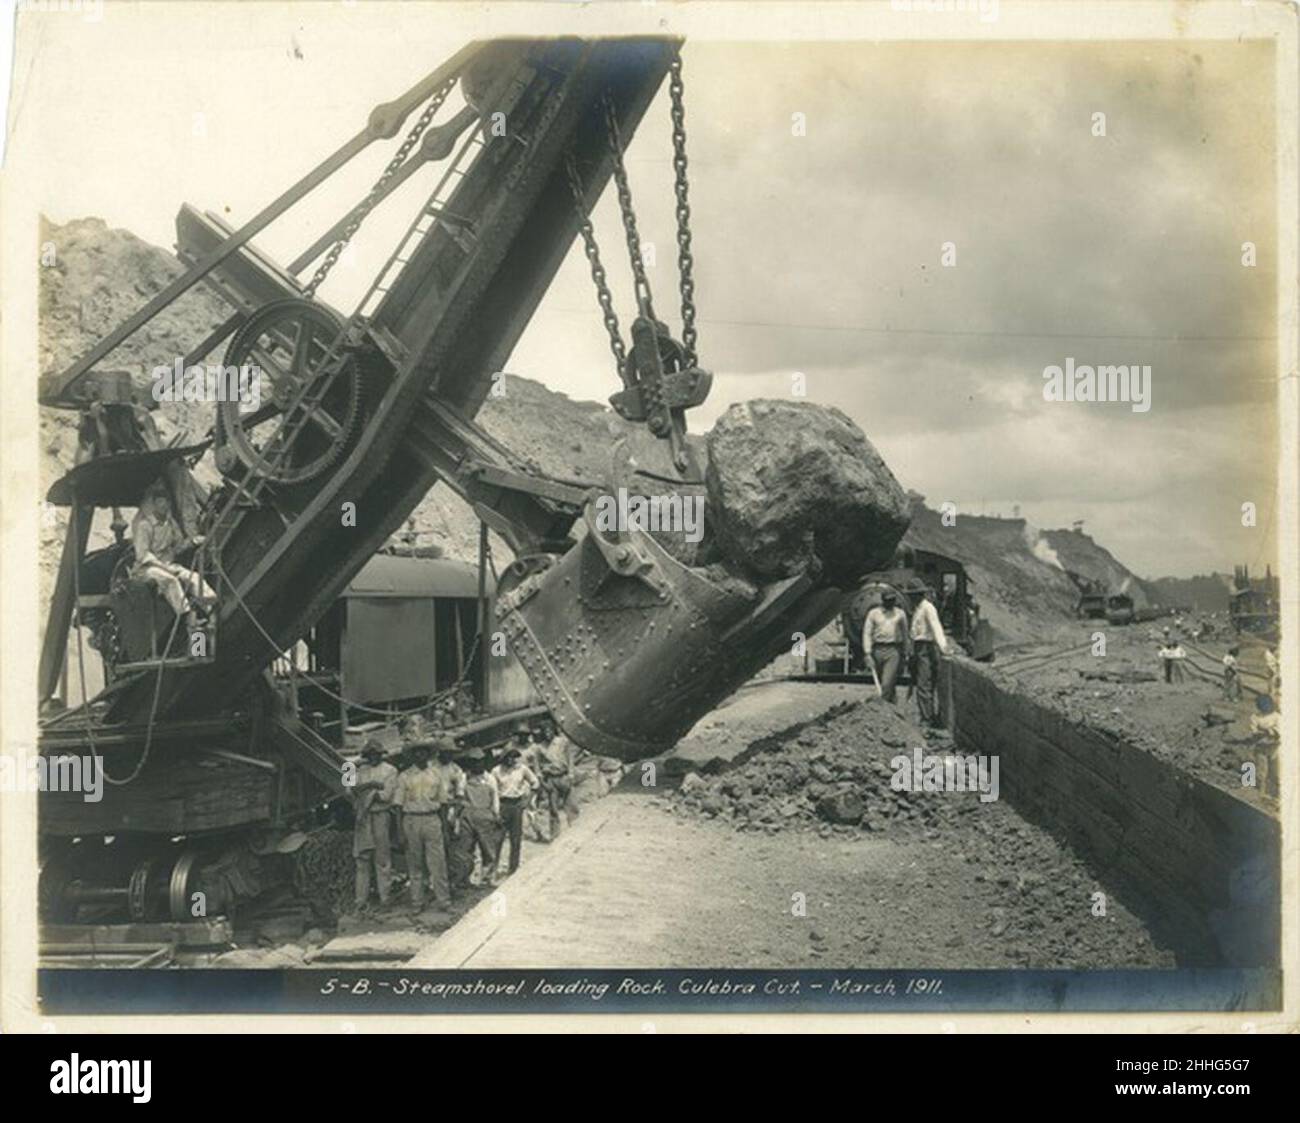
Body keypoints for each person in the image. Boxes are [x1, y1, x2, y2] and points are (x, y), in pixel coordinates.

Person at [130, 480, 211, 630]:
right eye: (160, 502)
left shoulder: (171, 524)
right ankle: (187, 615)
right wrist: (163, 566)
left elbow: (178, 546)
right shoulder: (144, 526)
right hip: (146, 569)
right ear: (154, 504)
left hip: (168, 564)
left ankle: (208, 609)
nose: (164, 506)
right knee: (170, 580)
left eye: (166, 502)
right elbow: (142, 555)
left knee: (193, 577)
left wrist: (193, 541)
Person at [395, 741, 452, 910]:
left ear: (428, 755)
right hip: (411, 820)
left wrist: (445, 828)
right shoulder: (404, 776)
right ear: (412, 756)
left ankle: (444, 901)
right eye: (416, 752)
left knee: (438, 863)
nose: (420, 755)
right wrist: (400, 830)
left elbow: (443, 802)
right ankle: (417, 902)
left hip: (432, 819)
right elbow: (398, 805)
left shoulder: (436, 774)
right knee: (415, 864)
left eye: (423, 752)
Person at [350, 740, 398, 911]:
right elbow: (348, 787)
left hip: (380, 815)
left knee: (382, 858)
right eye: (370, 755)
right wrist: (371, 785)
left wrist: (366, 791)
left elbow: (385, 796)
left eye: (376, 754)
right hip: (363, 818)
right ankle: (360, 901)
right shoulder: (360, 770)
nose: (373, 757)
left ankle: (385, 897)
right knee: (362, 859)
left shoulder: (390, 770)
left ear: (381, 754)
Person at [455, 753, 503, 887]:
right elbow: (460, 797)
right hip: (468, 815)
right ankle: (465, 879)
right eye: (474, 762)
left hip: (485, 814)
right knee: (466, 848)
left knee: (488, 848)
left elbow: (495, 798)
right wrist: (457, 818)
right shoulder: (464, 777)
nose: (477, 764)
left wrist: (496, 815)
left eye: (480, 761)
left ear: (484, 762)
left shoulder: (490, 779)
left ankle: (487, 878)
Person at [492, 747, 539, 874]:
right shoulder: (496, 771)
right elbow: (493, 792)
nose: (511, 760)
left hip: (517, 805)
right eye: (509, 757)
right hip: (502, 805)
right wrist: (495, 810)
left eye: (514, 757)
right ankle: (493, 869)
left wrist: (527, 801)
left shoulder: (522, 769)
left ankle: (513, 869)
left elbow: (535, 782)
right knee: (498, 839)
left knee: (516, 838)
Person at [909, 586, 950, 727]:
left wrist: (943, 646)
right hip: (919, 647)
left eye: (913, 595)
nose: (910, 598)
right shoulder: (918, 609)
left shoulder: (928, 608)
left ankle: (927, 719)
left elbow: (936, 627)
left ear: (919, 595)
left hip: (926, 647)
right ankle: (927, 714)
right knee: (923, 683)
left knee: (924, 683)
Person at [862, 589, 911, 703]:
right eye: (888, 600)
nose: (891, 603)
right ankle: (891, 708)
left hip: (893, 650)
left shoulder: (900, 614)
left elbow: (905, 633)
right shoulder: (874, 613)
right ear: (883, 600)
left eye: (893, 600)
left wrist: (906, 652)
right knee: (885, 682)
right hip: (877, 650)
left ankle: (882, 707)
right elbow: (867, 633)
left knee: (886, 683)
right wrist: (867, 653)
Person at [533, 723, 580, 840]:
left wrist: (571, 774)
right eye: (545, 731)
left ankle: (575, 832)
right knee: (553, 809)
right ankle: (555, 835)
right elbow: (537, 767)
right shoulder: (539, 747)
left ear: (553, 731)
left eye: (550, 731)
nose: (548, 734)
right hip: (550, 779)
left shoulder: (562, 742)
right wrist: (543, 782)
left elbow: (570, 758)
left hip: (563, 776)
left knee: (571, 805)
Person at [434, 743, 468, 889]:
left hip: (449, 807)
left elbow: (460, 794)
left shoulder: (456, 770)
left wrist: (455, 815)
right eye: (444, 752)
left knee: (449, 840)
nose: (447, 755)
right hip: (432, 807)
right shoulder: (431, 767)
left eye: (450, 753)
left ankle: (452, 876)